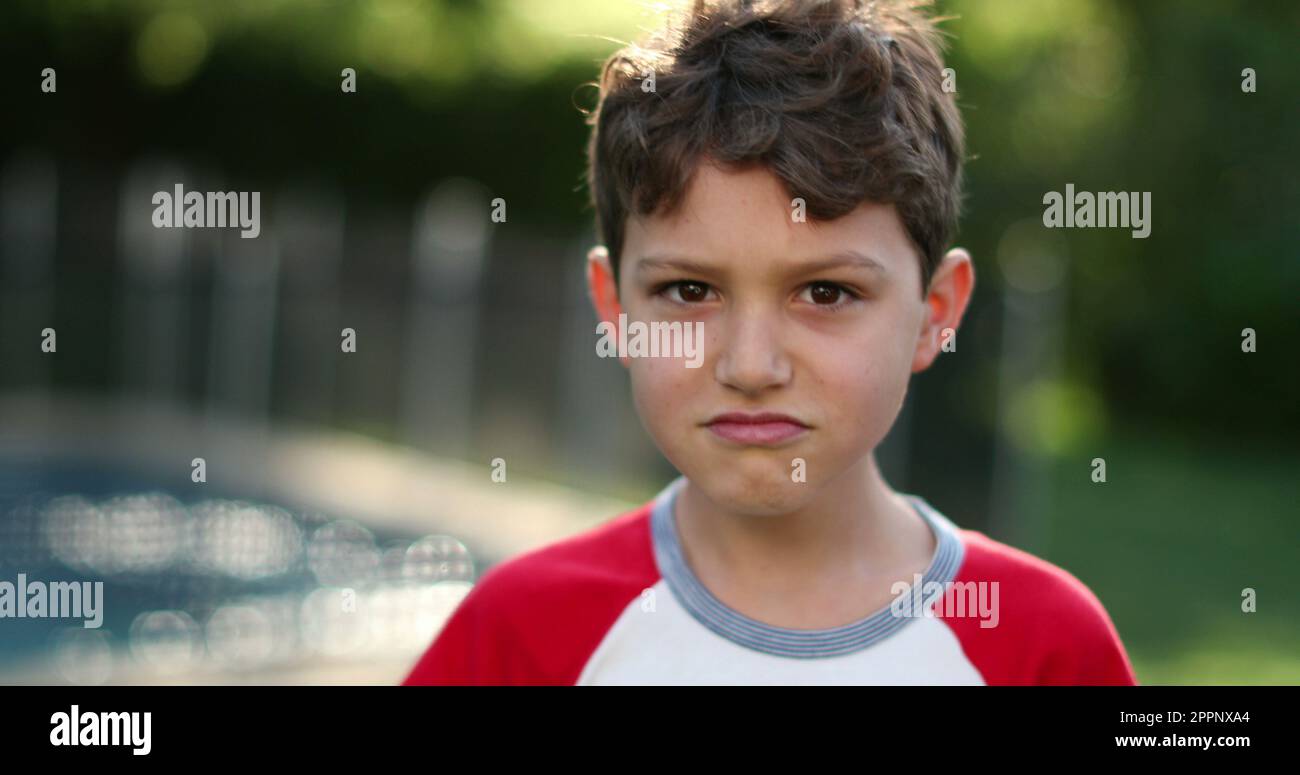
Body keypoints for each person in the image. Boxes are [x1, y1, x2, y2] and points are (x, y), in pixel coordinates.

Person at [403, 0, 1136, 685]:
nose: (751, 365)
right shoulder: (520, 634)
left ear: (933, 312)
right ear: (616, 309)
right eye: (689, 291)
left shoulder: (1045, 645)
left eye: (826, 292)